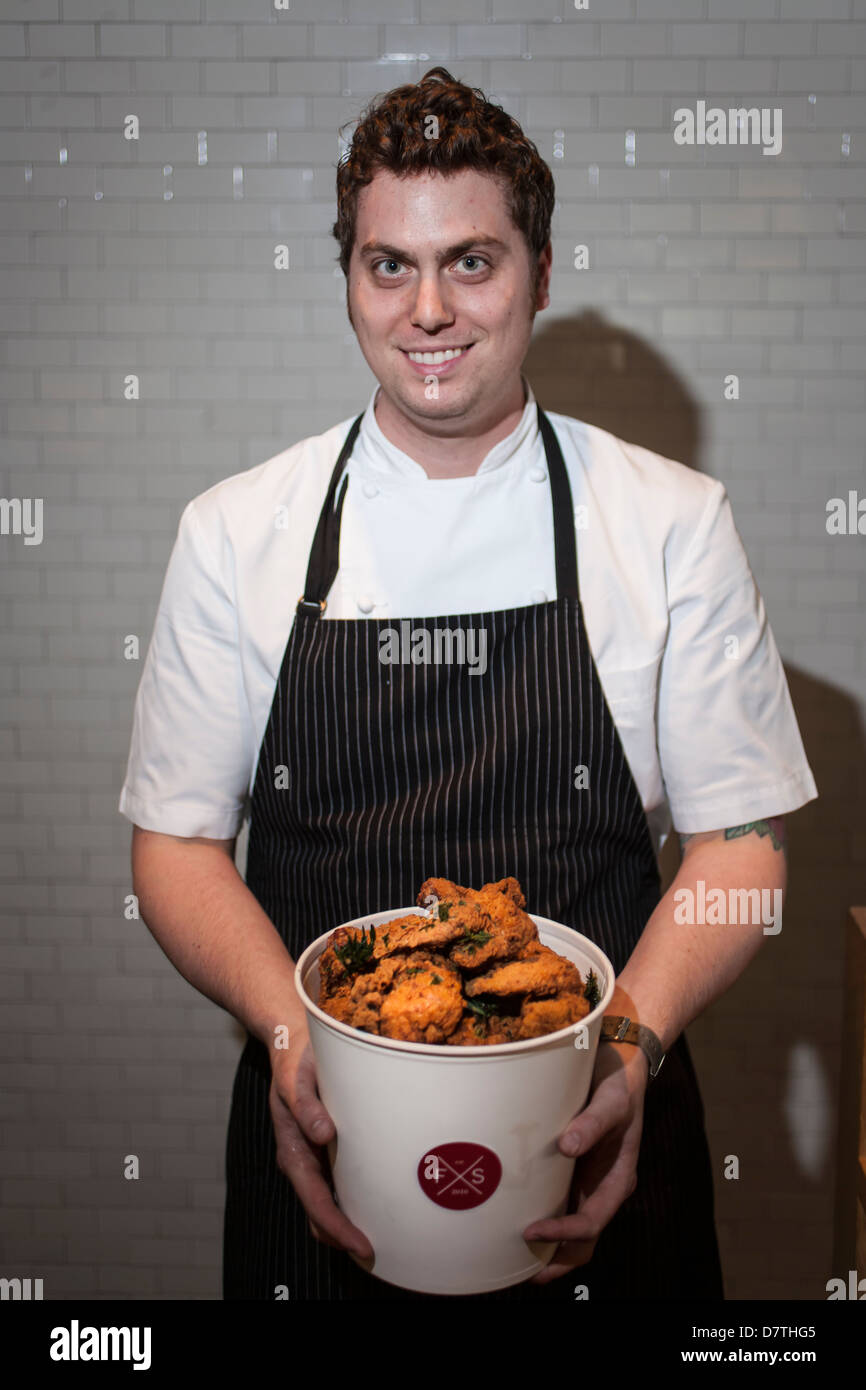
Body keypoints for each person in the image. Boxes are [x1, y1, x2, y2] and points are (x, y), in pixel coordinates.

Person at [119, 67, 818, 1302]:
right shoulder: (236, 532)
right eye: (389, 265)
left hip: (599, 1122)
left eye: (473, 263)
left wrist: (628, 1046)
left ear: (540, 275)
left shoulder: (667, 521)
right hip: (322, 1131)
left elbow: (743, 842)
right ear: (348, 282)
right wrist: (289, 1034)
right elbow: (174, 845)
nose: (428, 308)